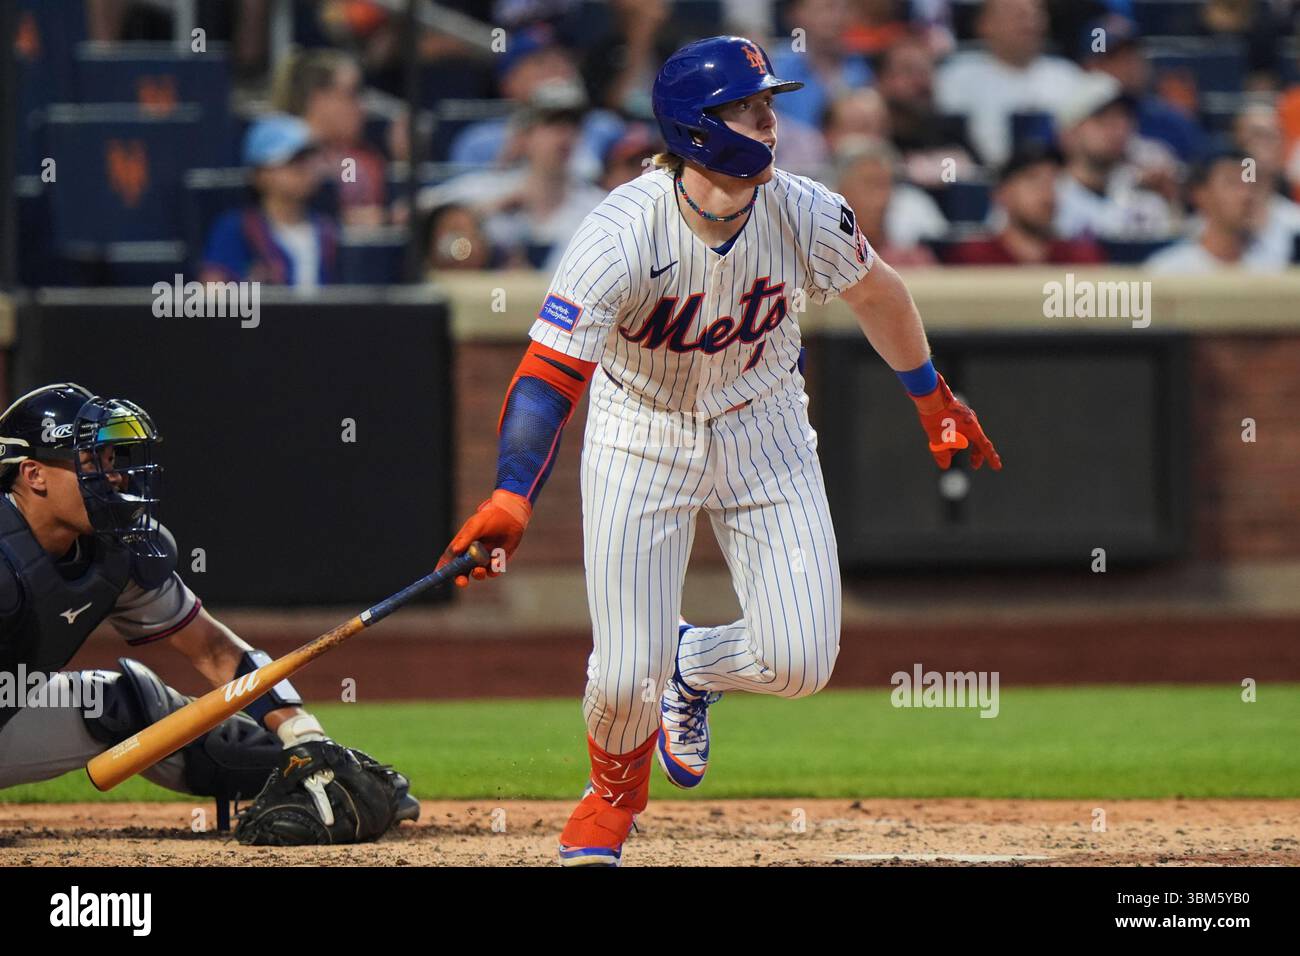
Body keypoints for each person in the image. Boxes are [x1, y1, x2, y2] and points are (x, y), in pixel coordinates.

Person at [435, 36, 1002, 867]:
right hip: (643, 436)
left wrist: (931, 397)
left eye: (770, 104)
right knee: (621, 680)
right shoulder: (620, 233)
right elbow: (546, 377)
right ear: (697, 129)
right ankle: (612, 799)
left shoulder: (803, 208)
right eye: (750, 108)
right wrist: (514, 490)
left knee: (801, 659)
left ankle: (691, 663)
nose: (771, 123)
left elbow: (880, 293)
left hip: (763, 428)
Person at [0, 384, 417, 845]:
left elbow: (215, 650)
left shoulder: (114, 553)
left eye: (112, 459)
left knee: (125, 704)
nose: (113, 475)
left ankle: (319, 779)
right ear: (34, 474)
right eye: (91, 460)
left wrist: (302, 735)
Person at [420, 81, 607, 270]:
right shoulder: (488, 189)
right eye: (553, 123)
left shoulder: (597, 207)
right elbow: (412, 213)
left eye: (574, 125)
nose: (565, 135)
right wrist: (480, 213)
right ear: (524, 136)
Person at [935, 0, 1084, 167]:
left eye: (1037, 14)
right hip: (979, 175)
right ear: (985, 24)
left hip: (1056, 177)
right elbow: (948, 139)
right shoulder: (956, 74)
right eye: (1017, 14)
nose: (1030, 22)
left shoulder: (1068, 76)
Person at [200, 114, 340, 289]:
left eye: (309, 159)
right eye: (293, 161)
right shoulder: (236, 228)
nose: (305, 168)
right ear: (260, 175)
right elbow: (212, 296)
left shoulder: (328, 231)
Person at [1053, 72, 1179, 242]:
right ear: (1069, 134)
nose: (1118, 129)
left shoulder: (1147, 194)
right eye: (1102, 119)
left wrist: (1172, 202)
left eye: (1123, 118)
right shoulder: (1048, 198)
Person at [272, 48, 389, 227]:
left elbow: (355, 203)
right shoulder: (282, 154)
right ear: (318, 99)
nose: (361, 107)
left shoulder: (349, 160)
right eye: (351, 94)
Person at [1079, 14, 1210, 165]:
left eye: (1131, 55)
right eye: (1114, 58)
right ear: (1090, 66)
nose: (1127, 66)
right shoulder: (1075, 119)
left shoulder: (1170, 120)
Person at [946, 143, 1106, 265]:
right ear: (1001, 194)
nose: (1046, 192)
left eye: (1054, 181)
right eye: (1032, 179)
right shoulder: (973, 259)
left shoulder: (1079, 259)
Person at [1146, 149, 1282, 273]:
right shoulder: (1168, 270)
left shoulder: (1273, 268)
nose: (1246, 194)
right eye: (1233, 183)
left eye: (1252, 184)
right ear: (1200, 194)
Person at [876, 33, 980, 188]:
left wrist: (945, 171)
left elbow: (975, 173)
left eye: (926, 71)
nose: (921, 81)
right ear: (882, 80)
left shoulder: (950, 129)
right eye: (908, 70)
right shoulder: (873, 131)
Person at [832, 138, 945, 267]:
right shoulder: (818, 255)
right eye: (871, 184)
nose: (882, 198)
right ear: (841, 189)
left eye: (886, 185)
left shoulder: (911, 259)